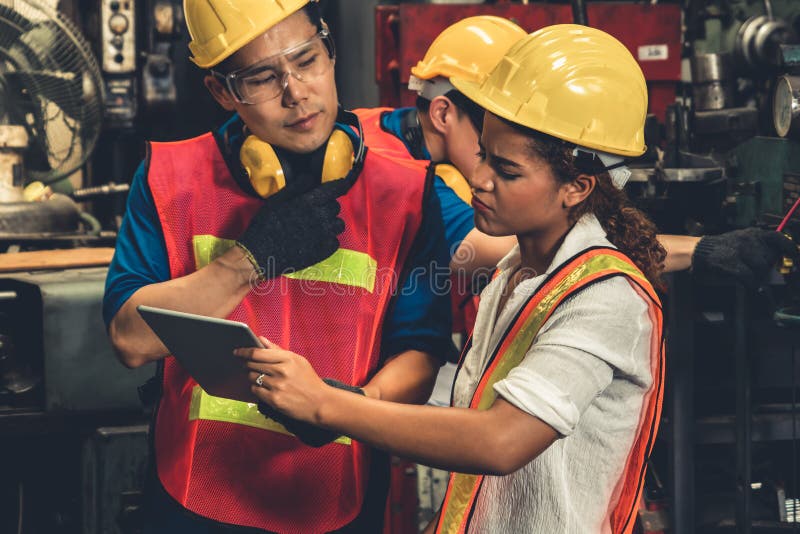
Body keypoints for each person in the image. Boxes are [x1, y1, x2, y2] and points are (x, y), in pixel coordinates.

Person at [238, 24, 668, 533]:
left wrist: (327, 405)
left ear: (576, 186)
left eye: (506, 172)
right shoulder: (517, 274)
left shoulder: (604, 299)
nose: (479, 179)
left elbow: (499, 440)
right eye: (483, 153)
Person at [102, 0, 452, 531]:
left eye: (307, 60)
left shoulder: (405, 192)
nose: (296, 92)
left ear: (329, 53)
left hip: (334, 498)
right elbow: (130, 339)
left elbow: (420, 352)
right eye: (262, 77)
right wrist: (246, 261)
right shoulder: (170, 179)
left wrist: (349, 406)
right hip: (194, 498)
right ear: (223, 92)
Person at [356, 16, 796, 289]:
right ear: (442, 112)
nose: (485, 172)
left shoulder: (379, 127)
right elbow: (537, 246)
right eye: (496, 130)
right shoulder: (396, 175)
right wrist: (698, 250)